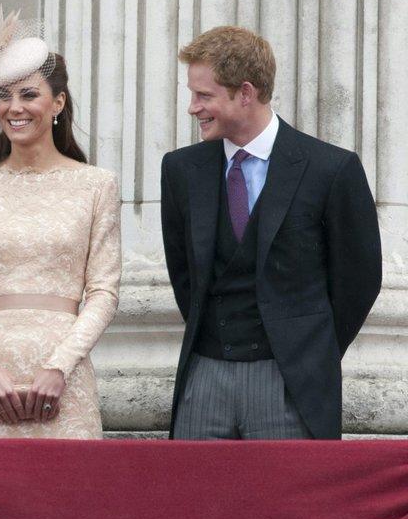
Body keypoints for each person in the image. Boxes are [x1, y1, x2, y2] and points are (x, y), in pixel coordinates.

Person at [161, 26, 381, 439]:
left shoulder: (330, 169)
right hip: (204, 375)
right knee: (193, 500)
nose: (193, 108)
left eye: (204, 96)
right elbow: (184, 275)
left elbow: (359, 280)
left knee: (287, 503)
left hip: (290, 382)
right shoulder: (180, 170)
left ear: (245, 93)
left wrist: (309, 351)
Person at [0, 8, 120, 438]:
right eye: (5, 95)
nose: (14, 107)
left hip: (66, 380)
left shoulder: (96, 184)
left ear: (57, 103)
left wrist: (59, 367)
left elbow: (103, 291)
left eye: (28, 94)